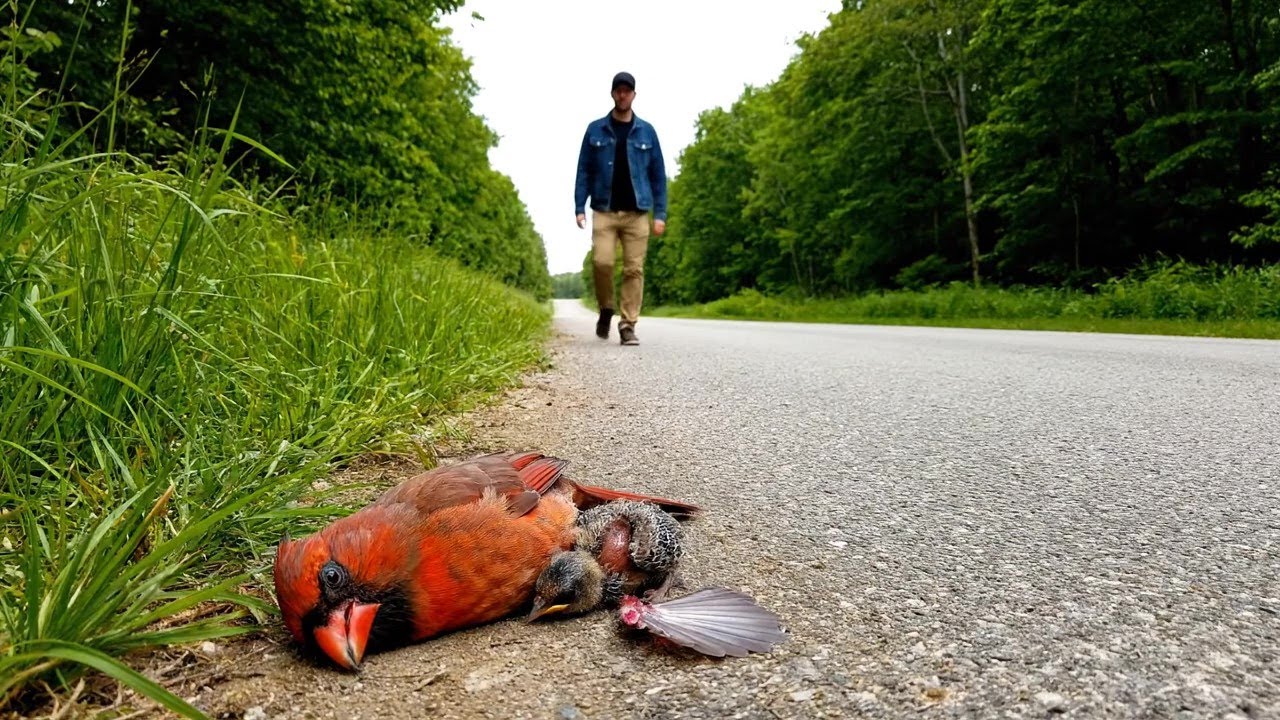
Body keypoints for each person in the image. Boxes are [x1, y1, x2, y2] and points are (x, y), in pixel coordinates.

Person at [574, 71, 667, 346]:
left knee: (633, 270)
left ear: (634, 95)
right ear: (613, 94)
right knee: (602, 262)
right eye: (619, 90)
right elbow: (584, 170)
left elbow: (658, 175)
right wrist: (579, 206)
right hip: (604, 210)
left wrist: (660, 214)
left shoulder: (647, 132)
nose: (623, 95)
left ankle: (628, 325)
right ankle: (605, 308)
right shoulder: (595, 130)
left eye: (628, 91)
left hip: (637, 213)